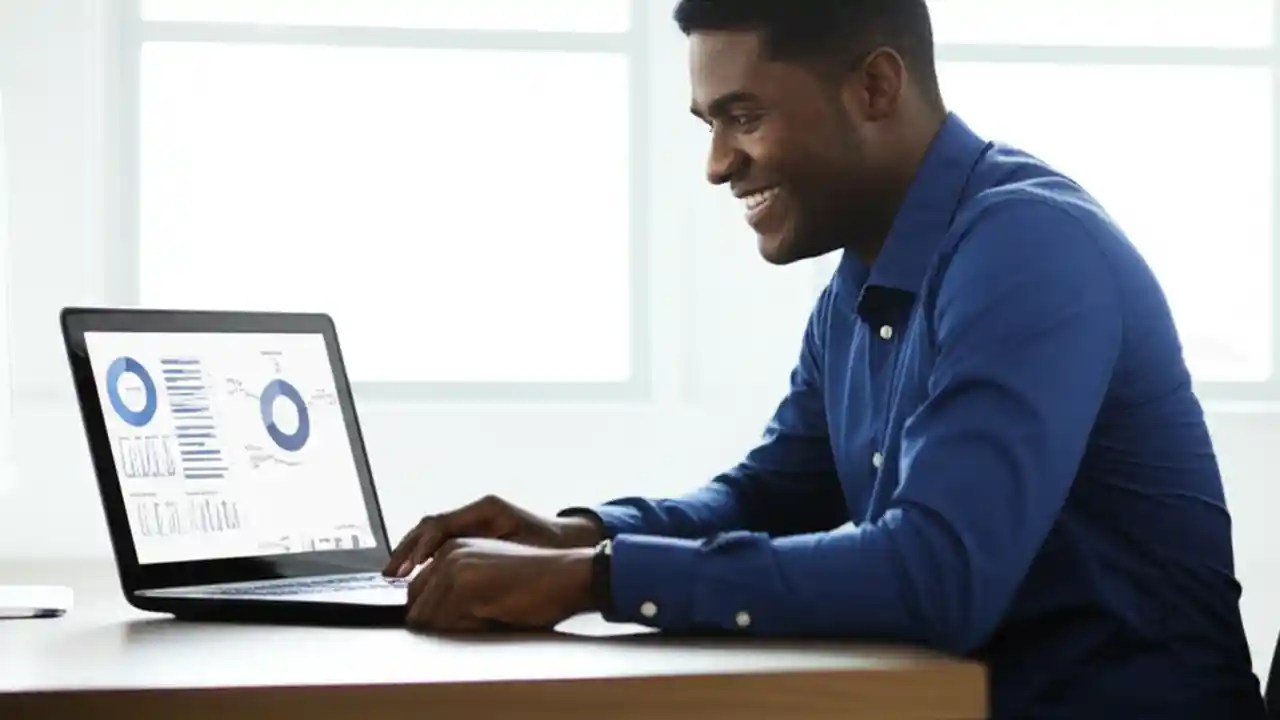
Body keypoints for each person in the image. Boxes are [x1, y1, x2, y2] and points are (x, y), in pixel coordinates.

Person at [382, 0, 1268, 716]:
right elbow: (769, 492)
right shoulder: (865, 280)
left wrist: (593, 580)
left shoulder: (1027, 248)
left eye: (744, 117)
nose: (719, 164)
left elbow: (937, 575)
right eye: (710, 122)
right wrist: (581, 534)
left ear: (876, 87)